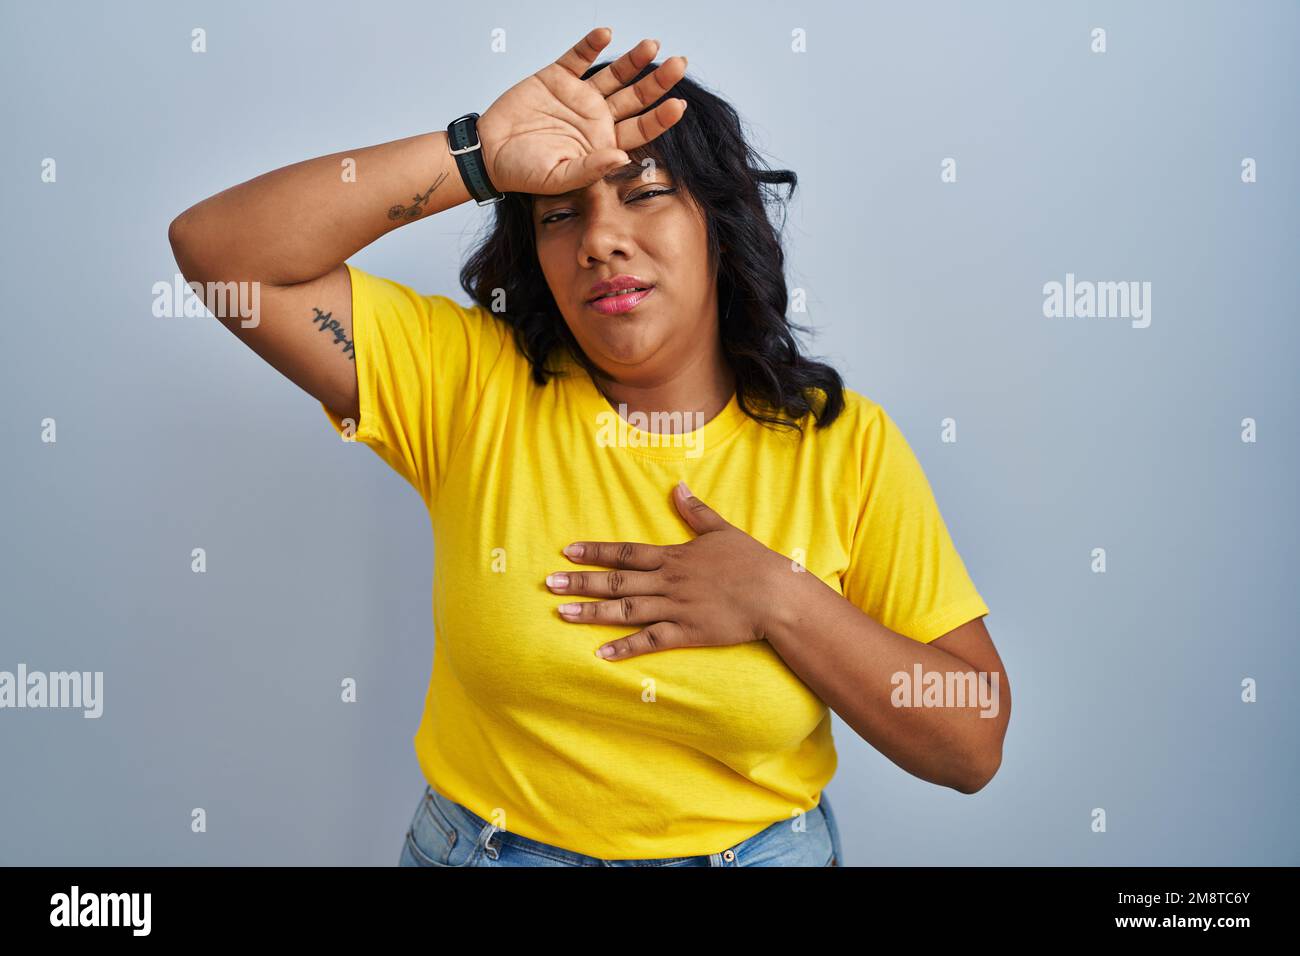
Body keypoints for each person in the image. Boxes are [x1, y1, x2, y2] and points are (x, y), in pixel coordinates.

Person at [167, 27, 1010, 867]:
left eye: (643, 194)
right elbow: (221, 253)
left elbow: (971, 744)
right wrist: (477, 155)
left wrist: (779, 597)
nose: (599, 240)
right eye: (561, 215)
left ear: (717, 224)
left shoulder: (843, 445)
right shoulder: (470, 383)